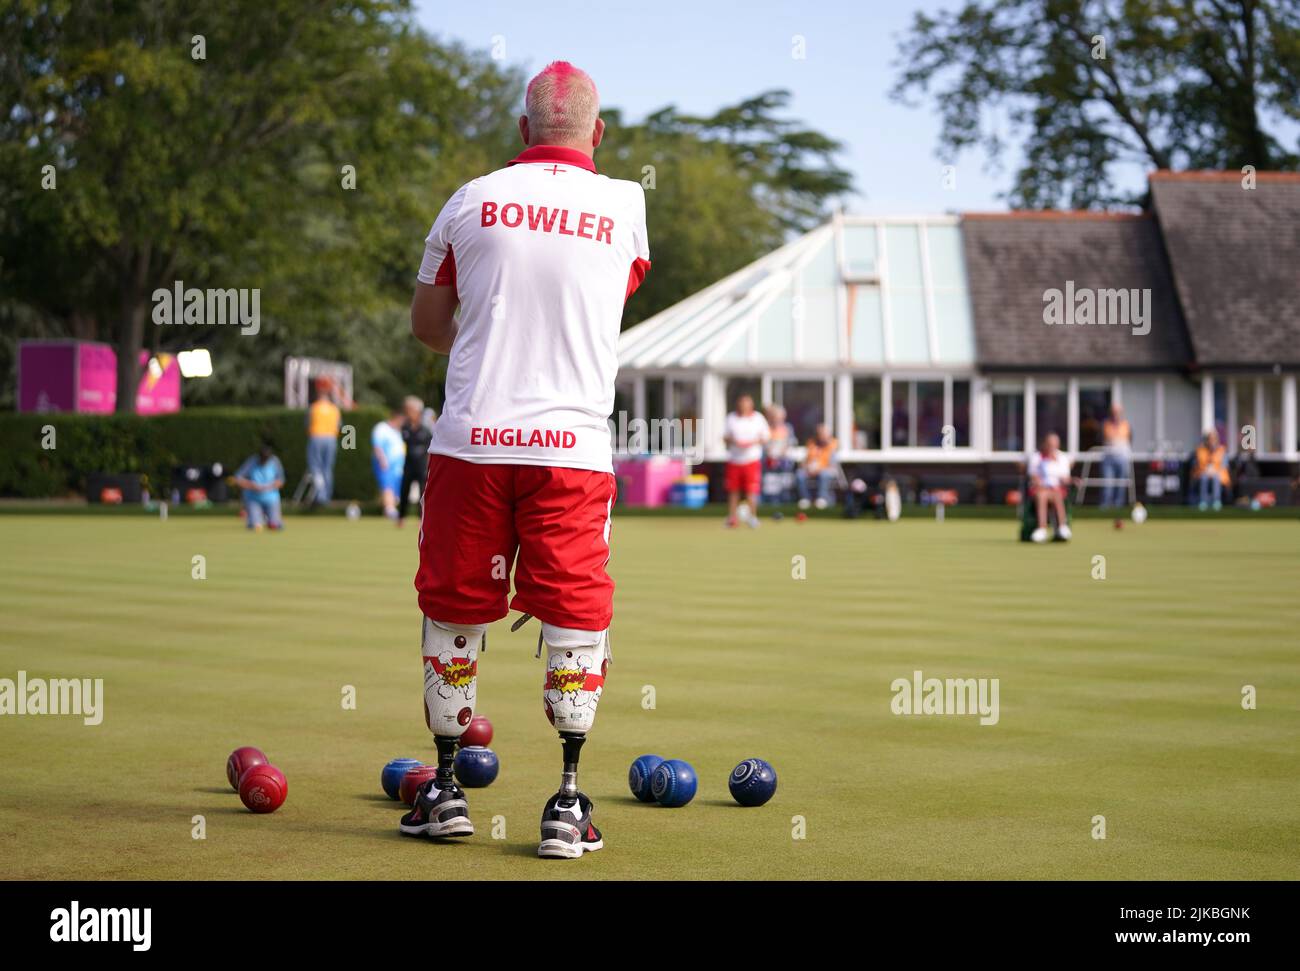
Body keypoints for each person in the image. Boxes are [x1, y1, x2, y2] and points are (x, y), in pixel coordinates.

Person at [405, 61, 650, 858]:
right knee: (577, 615)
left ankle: (444, 790)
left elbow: (428, 324)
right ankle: (568, 803)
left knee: (454, 608)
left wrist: (485, 326)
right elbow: (605, 297)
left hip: (472, 439)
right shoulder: (625, 205)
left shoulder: (467, 199)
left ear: (522, 131)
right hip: (573, 449)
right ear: (597, 133)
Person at [723, 394, 770, 528]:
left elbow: (766, 437)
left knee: (751, 490)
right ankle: (732, 518)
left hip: (752, 460)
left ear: (751, 405)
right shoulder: (731, 418)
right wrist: (735, 442)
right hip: (734, 460)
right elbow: (725, 437)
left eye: (747, 403)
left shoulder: (758, 418)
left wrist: (753, 442)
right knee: (733, 490)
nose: (744, 405)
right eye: (742, 403)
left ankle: (753, 518)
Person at [1028, 432, 1072, 543]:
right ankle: (1042, 529)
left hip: (1057, 490)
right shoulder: (1037, 457)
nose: (1051, 447)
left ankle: (1062, 528)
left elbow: (1065, 477)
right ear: (1045, 444)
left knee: (1056, 495)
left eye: (1054, 445)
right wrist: (1040, 483)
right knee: (1042, 495)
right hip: (1040, 489)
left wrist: (1069, 481)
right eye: (1049, 444)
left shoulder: (1062, 458)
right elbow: (1033, 475)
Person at [398, 395, 433, 526]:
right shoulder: (405, 427)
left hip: (422, 464)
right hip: (409, 464)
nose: (408, 413)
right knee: (404, 490)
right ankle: (401, 517)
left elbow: (430, 446)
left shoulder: (426, 428)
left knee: (422, 492)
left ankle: (421, 518)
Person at [234, 443, 285, 532]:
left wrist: (271, 486)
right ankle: (256, 519)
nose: (264, 460)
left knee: (275, 525)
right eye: (263, 458)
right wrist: (251, 485)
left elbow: (281, 481)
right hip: (254, 499)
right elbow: (238, 478)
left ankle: (270, 518)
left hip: (271, 498)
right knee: (255, 525)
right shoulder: (251, 461)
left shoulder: (275, 462)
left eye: (266, 458)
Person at [305, 379, 341, 506]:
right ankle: (326, 496)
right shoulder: (334, 409)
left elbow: (307, 425)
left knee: (316, 468)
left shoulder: (314, 408)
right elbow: (341, 426)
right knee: (327, 468)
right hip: (331, 439)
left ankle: (320, 495)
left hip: (316, 437)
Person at [370, 409, 406, 520]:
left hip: (397, 466)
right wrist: (382, 459)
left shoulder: (398, 431)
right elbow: (377, 445)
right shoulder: (382, 428)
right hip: (385, 464)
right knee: (387, 486)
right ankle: (389, 510)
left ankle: (389, 509)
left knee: (395, 489)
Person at [797, 424, 839, 510]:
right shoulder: (811, 443)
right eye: (820, 434)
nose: (822, 437)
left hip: (826, 470)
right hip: (811, 470)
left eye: (824, 434)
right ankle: (805, 499)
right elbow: (805, 460)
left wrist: (818, 469)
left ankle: (821, 498)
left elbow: (832, 465)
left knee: (824, 474)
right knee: (800, 474)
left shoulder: (833, 445)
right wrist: (807, 467)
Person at [762, 404, 795, 503]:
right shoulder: (766, 428)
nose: (777, 419)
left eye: (779, 417)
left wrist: (780, 453)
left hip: (784, 461)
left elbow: (790, 443)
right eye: (775, 417)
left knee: (785, 482)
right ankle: (771, 501)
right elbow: (763, 444)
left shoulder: (788, 428)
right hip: (769, 461)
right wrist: (770, 454)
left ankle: (784, 500)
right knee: (769, 483)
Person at [1099, 402, 1131, 508]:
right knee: (1108, 484)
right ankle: (1105, 506)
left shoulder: (1125, 424)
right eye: (1113, 412)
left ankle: (1118, 506)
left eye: (1117, 412)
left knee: (1121, 484)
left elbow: (1129, 439)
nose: (1115, 414)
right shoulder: (1105, 424)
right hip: (1108, 458)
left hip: (1122, 458)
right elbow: (1104, 437)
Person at [1192, 429, 1230, 511]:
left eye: (1213, 439)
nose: (1211, 441)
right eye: (1209, 439)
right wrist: (1206, 471)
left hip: (1218, 475)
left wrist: (1214, 471)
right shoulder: (1200, 450)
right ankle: (1203, 502)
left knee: (1216, 478)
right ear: (1206, 440)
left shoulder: (1222, 450)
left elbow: (1224, 466)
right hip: (1203, 474)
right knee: (1204, 477)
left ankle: (1216, 502)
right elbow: (1196, 465)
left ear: (1217, 440)